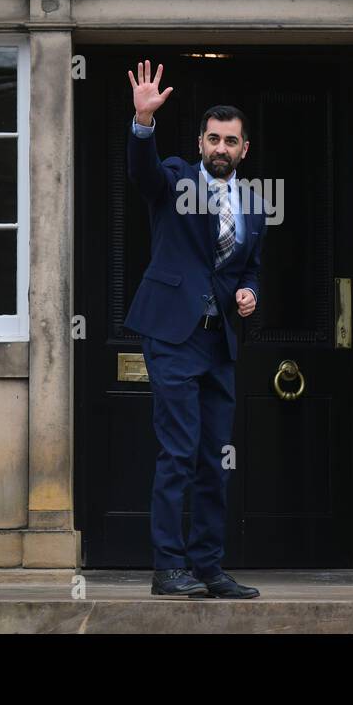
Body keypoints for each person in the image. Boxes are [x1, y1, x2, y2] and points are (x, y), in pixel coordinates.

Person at [124, 59, 265, 599]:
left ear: (244, 149)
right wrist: (142, 122)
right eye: (213, 139)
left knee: (214, 460)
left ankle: (208, 566)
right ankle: (168, 567)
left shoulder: (255, 205)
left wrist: (252, 294)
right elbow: (143, 172)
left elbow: (248, 270)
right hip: (172, 335)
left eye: (230, 141)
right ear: (201, 142)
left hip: (219, 340)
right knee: (179, 451)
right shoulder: (178, 179)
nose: (220, 148)